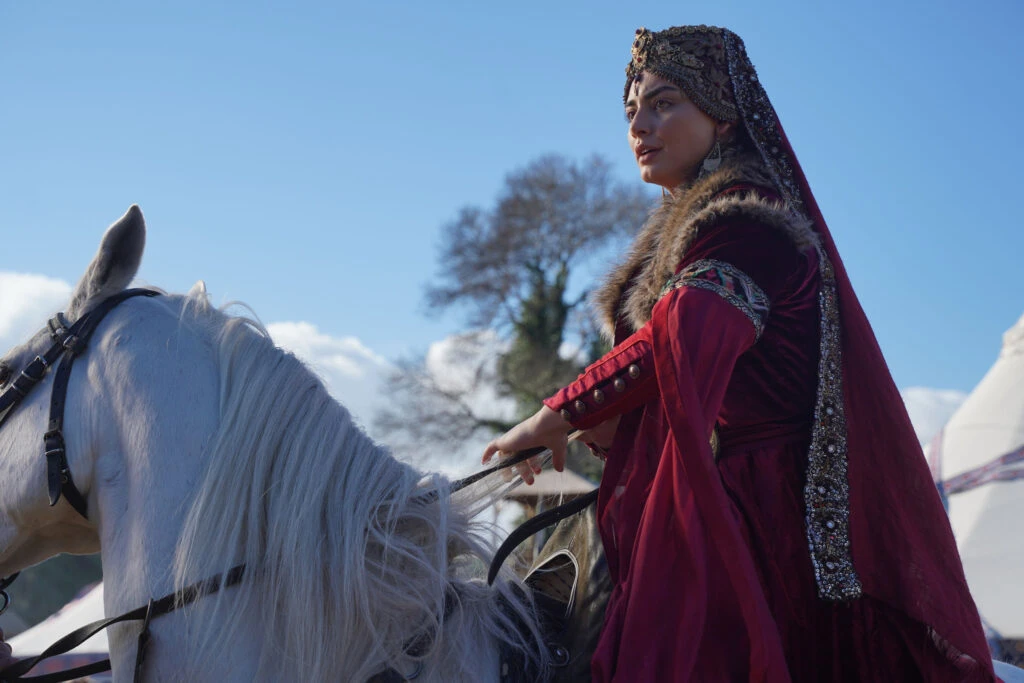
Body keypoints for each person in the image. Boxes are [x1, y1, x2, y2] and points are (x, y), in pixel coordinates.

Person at [483, 25, 997, 683]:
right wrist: (615, 421)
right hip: (730, 503)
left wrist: (557, 412)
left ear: (722, 115)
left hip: (771, 526)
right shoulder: (694, 229)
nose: (640, 124)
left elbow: (676, 338)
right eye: (631, 110)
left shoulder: (744, 220)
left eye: (665, 102)